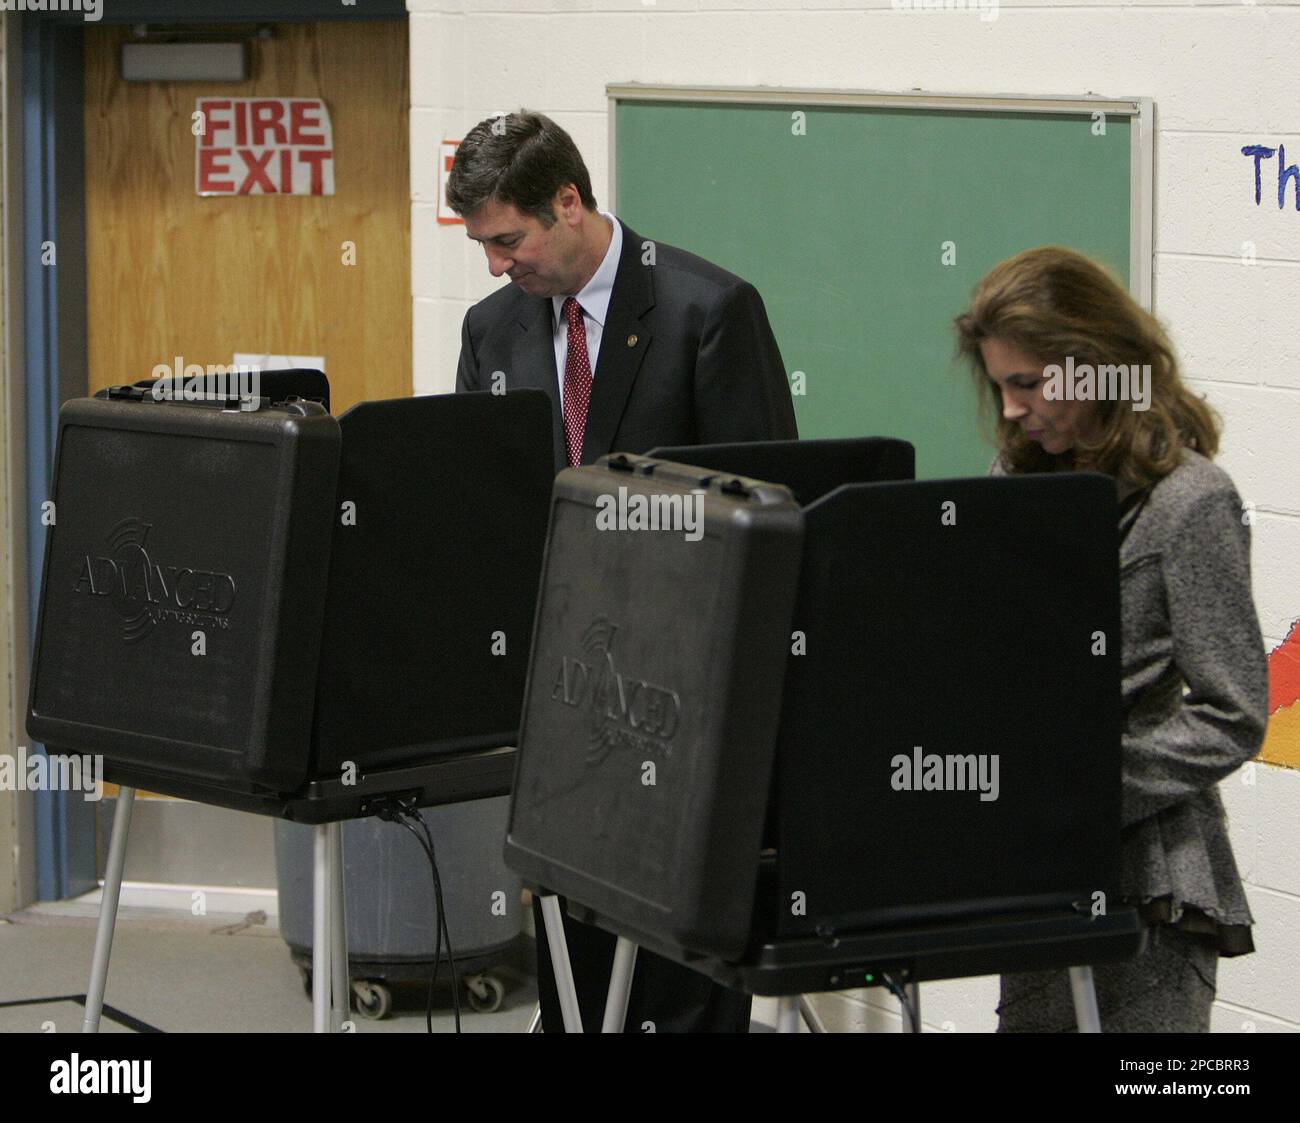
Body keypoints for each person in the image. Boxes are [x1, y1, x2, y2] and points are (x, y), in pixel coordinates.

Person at [447, 110, 798, 1032]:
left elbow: (771, 519)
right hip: (561, 699)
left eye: (508, 240)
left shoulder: (705, 312)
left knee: (677, 979)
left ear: (568, 201)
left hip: (683, 703)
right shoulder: (495, 332)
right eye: (482, 246)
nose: (495, 266)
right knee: (577, 961)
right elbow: (481, 511)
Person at [954, 246, 1269, 1032]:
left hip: (1150, 877)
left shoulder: (1192, 502)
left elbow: (1234, 712)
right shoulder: (1017, 480)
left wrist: (1089, 788)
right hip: (1039, 863)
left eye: (1028, 384)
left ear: (1094, 368)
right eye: (1001, 386)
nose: (1015, 407)